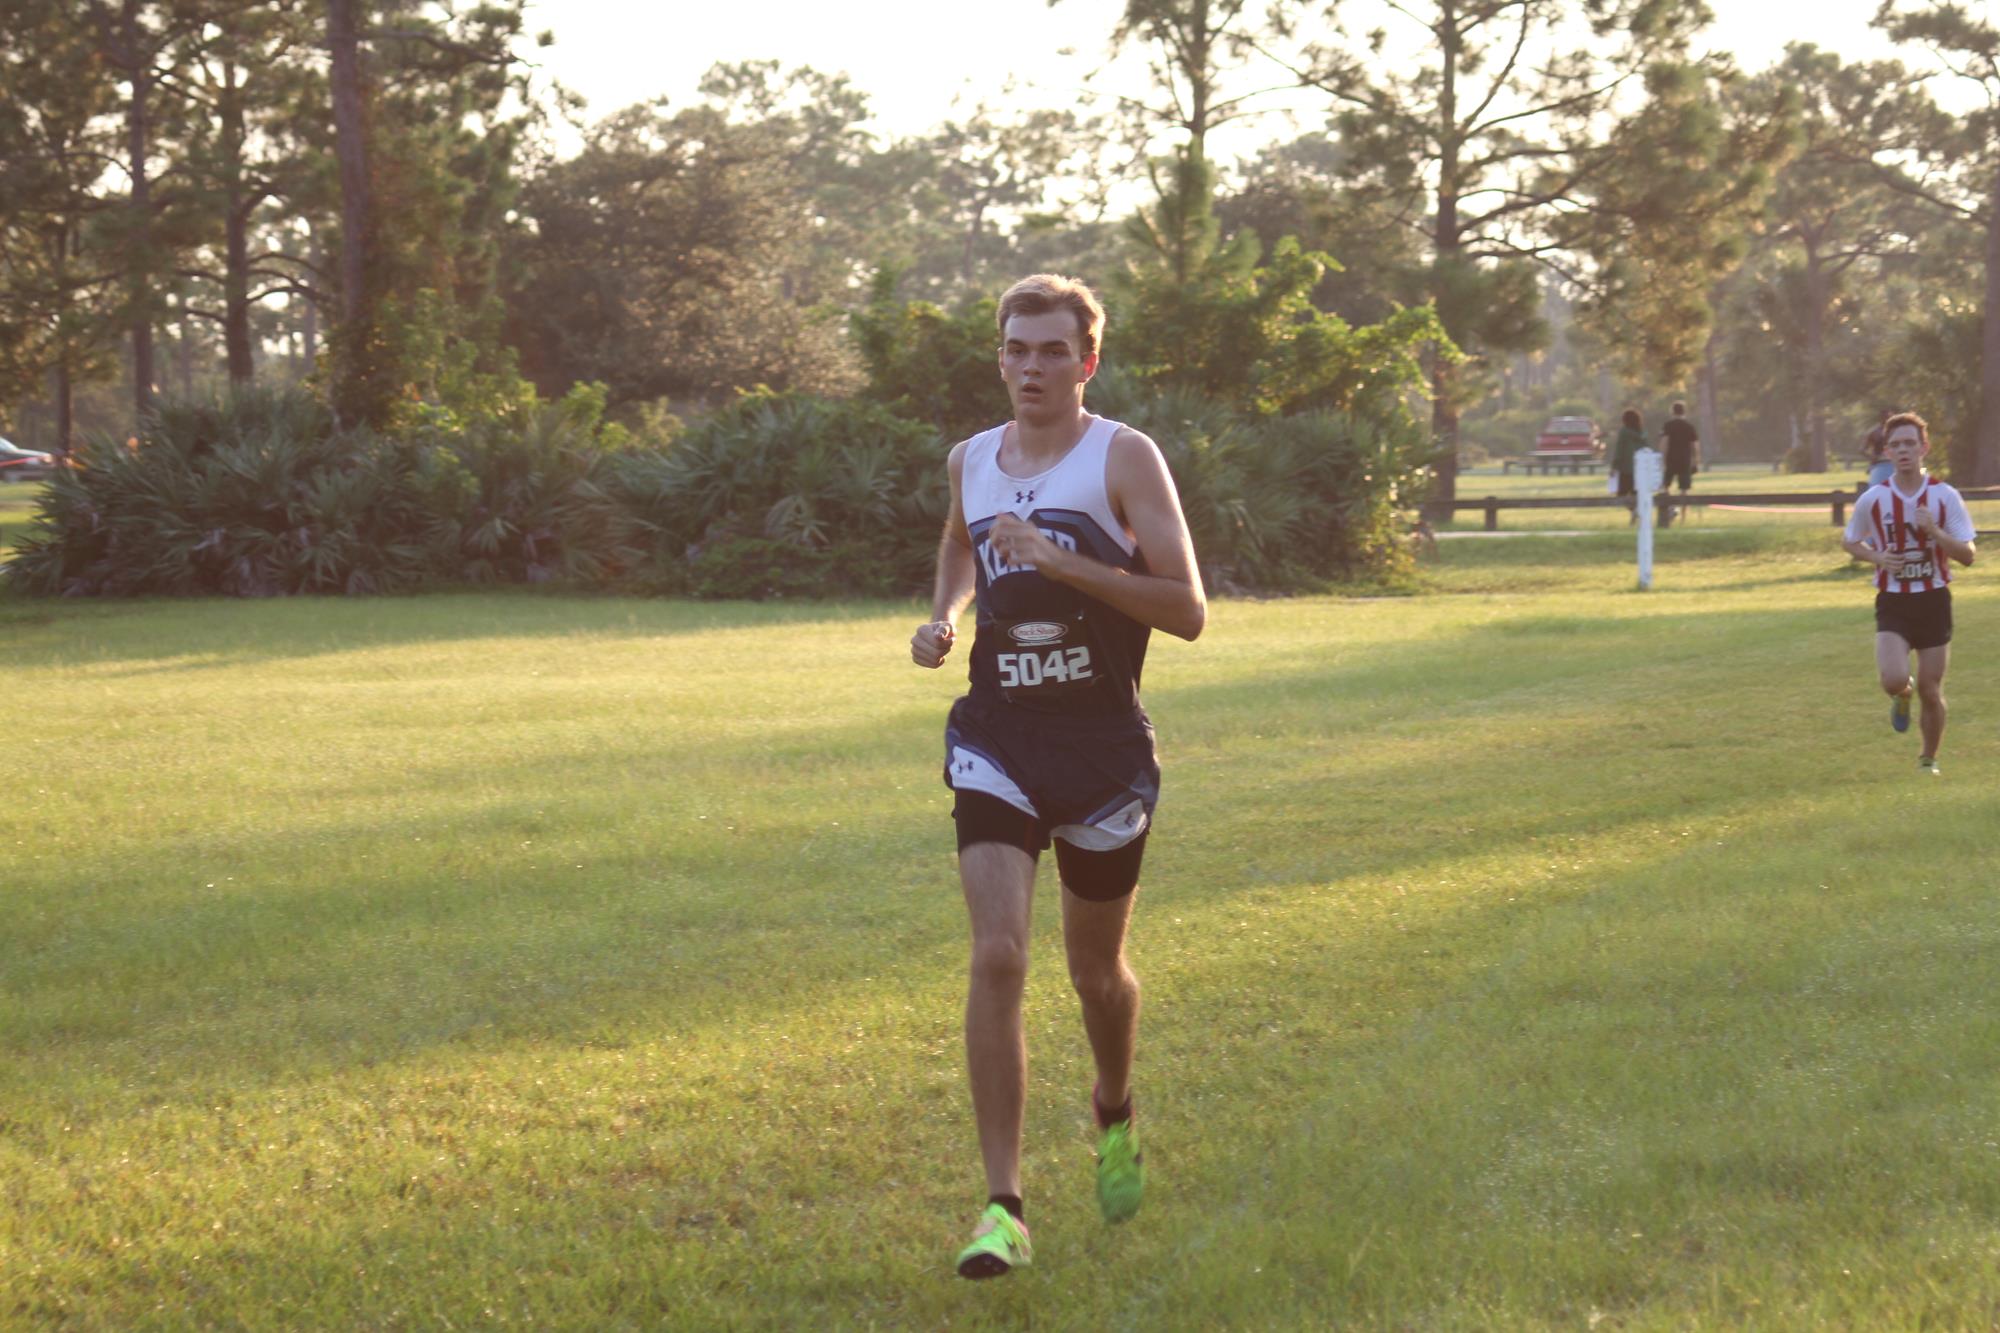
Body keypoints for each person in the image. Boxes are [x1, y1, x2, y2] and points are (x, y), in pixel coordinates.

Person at [908, 273, 1206, 1278]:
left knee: (1093, 975)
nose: (1029, 367)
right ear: (996, 356)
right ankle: (1003, 1207)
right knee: (996, 955)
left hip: (1102, 750)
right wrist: (946, 612)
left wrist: (1058, 559)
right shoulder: (969, 460)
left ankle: (1112, 1110)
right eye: (1013, 348)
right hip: (997, 733)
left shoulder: (1123, 457)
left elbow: (1185, 606)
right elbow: (959, 539)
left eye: (1050, 351)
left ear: (1085, 361)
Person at [1840, 412, 1976, 774]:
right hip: (1894, 600)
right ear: (1886, 451)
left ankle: (1927, 760)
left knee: (1931, 690)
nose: (1903, 451)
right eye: (1896, 445)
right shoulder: (1874, 498)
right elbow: (1849, 540)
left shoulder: (1944, 496)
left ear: (1924, 448)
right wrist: (1877, 556)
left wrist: (1934, 531)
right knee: (1893, 679)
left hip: (1934, 600)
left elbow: (1968, 555)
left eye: (1910, 443)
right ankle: (1902, 695)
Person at [1610, 408, 1644, 523]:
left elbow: (1619, 450)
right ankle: (1635, 512)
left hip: (1626, 468)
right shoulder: (1641, 432)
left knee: (1621, 495)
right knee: (1636, 494)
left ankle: (1633, 511)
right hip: (1640, 468)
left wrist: (1614, 466)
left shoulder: (1623, 432)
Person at [1861, 408, 1895, 488]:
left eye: (1890, 417)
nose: (1887, 419)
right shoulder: (1873, 432)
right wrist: (1873, 457)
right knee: (1876, 488)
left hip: (1896, 464)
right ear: (1881, 418)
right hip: (1879, 464)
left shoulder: (1898, 431)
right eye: (1886, 417)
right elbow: (1862, 449)